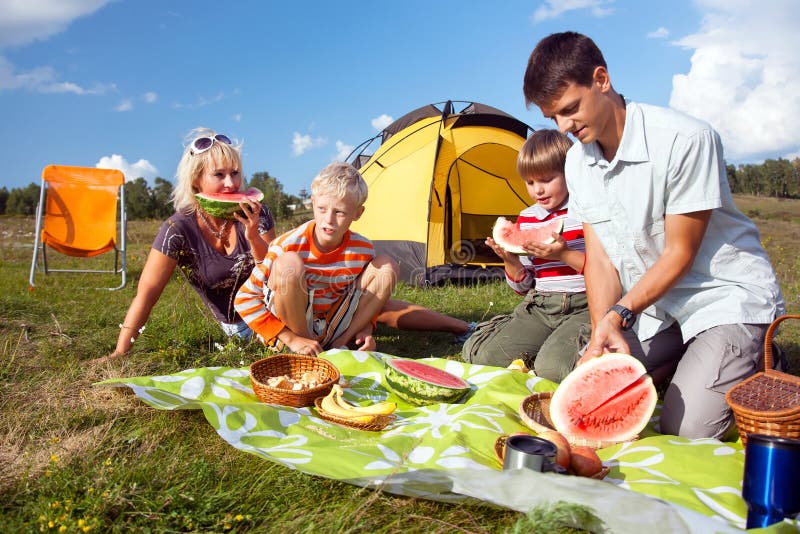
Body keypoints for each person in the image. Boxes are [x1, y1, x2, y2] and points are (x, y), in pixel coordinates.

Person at [523, 31, 785, 439]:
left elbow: (680, 253)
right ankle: (693, 360)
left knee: (688, 427)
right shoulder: (576, 163)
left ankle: (758, 356)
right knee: (582, 380)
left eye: (570, 109)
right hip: (657, 309)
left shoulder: (686, 139)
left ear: (601, 80)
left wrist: (620, 314)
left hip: (720, 298)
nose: (564, 126)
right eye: (553, 117)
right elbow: (600, 260)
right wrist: (600, 333)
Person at [101, 128, 276, 362]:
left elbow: (275, 276)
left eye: (235, 173)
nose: (231, 183)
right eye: (219, 175)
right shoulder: (177, 229)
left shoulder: (257, 212)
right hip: (240, 328)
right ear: (196, 179)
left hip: (276, 311)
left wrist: (253, 235)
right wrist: (120, 353)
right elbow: (146, 294)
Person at [462, 130, 589, 382]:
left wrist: (564, 254)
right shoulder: (528, 217)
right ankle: (541, 350)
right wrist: (510, 260)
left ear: (569, 173)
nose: (538, 190)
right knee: (482, 355)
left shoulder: (586, 210)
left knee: (553, 370)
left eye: (546, 180)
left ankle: (554, 355)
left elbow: (606, 272)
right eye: (530, 183)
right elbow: (524, 286)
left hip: (584, 306)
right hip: (540, 305)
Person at [235, 162, 398, 355]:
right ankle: (301, 349)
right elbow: (244, 299)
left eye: (339, 212)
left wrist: (366, 328)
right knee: (289, 264)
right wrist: (291, 338)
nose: (328, 219)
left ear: (357, 213)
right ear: (313, 202)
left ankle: (340, 346)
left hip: (334, 327)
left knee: (387, 267)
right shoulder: (286, 244)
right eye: (322, 209)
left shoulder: (363, 249)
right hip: (291, 330)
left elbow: (366, 299)